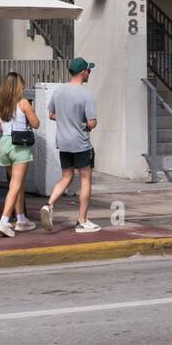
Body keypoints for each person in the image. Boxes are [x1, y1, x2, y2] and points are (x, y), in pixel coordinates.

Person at [41, 57, 100, 234]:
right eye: (88, 70)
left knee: (66, 177)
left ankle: (49, 205)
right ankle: (82, 220)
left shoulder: (59, 91)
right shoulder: (86, 94)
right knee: (85, 179)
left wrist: (66, 119)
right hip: (81, 143)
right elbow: (92, 122)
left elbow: (51, 114)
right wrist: (82, 123)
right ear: (82, 72)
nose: (89, 73)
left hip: (63, 143)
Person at [0, 71, 40, 239]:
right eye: (23, 85)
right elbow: (36, 124)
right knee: (15, 185)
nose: (25, 88)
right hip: (19, 147)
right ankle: (4, 221)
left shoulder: (0, 104)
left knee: (16, 183)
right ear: (18, 87)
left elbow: (0, 127)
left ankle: (21, 219)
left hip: (4, 144)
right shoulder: (23, 103)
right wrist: (31, 111)